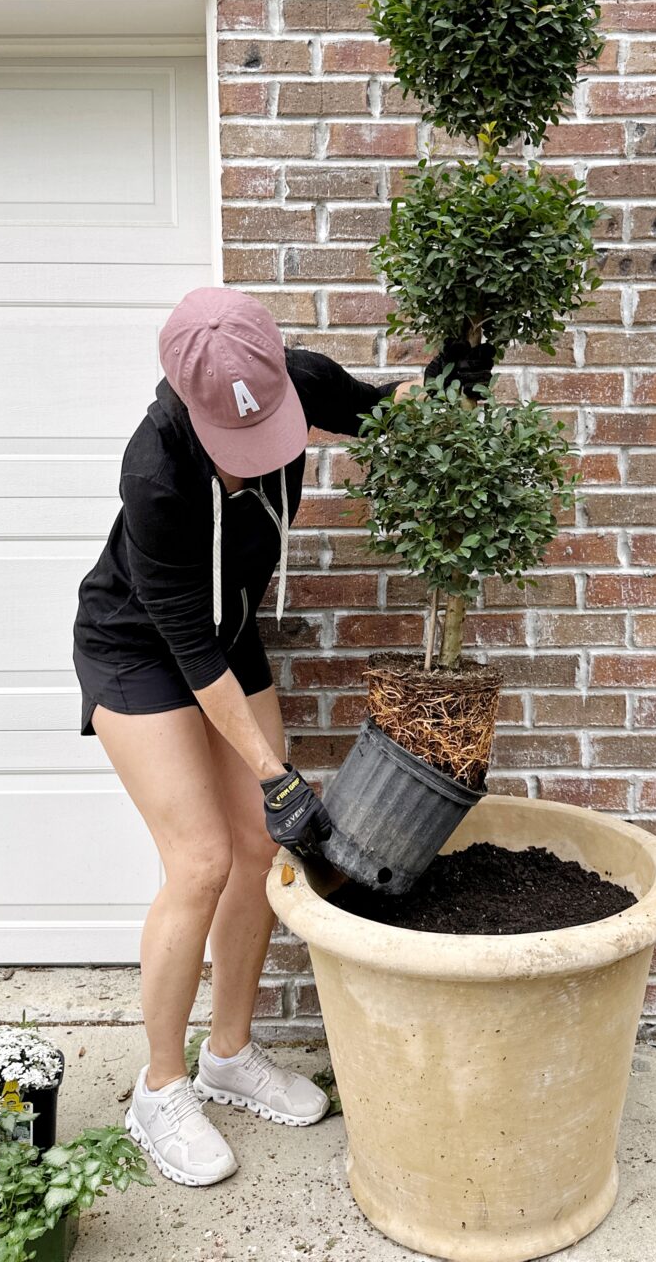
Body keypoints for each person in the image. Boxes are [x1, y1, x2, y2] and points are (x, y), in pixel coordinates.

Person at [72, 286, 419, 1186]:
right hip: (140, 646)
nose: (250, 462)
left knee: (260, 844)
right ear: (188, 403)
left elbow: (383, 415)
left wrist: (450, 382)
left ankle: (229, 1052)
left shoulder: (296, 381)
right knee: (198, 862)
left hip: (224, 632)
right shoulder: (155, 470)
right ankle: (160, 1087)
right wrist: (276, 772)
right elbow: (184, 645)